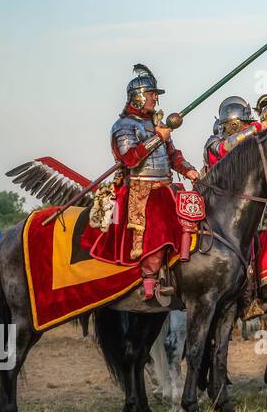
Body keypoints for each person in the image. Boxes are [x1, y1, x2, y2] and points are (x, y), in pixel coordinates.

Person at [85, 63, 198, 302]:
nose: (155, 98)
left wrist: (188, 170)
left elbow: (172, 155)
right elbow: (129, 158)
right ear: (137, 97)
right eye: (151, 94)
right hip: (139, 187)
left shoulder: (155, 124)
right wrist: (158, 137)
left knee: (193, 215)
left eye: (155, 94)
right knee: (157, 226)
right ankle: (149, 278)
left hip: (165, 186)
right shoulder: (124, 126)